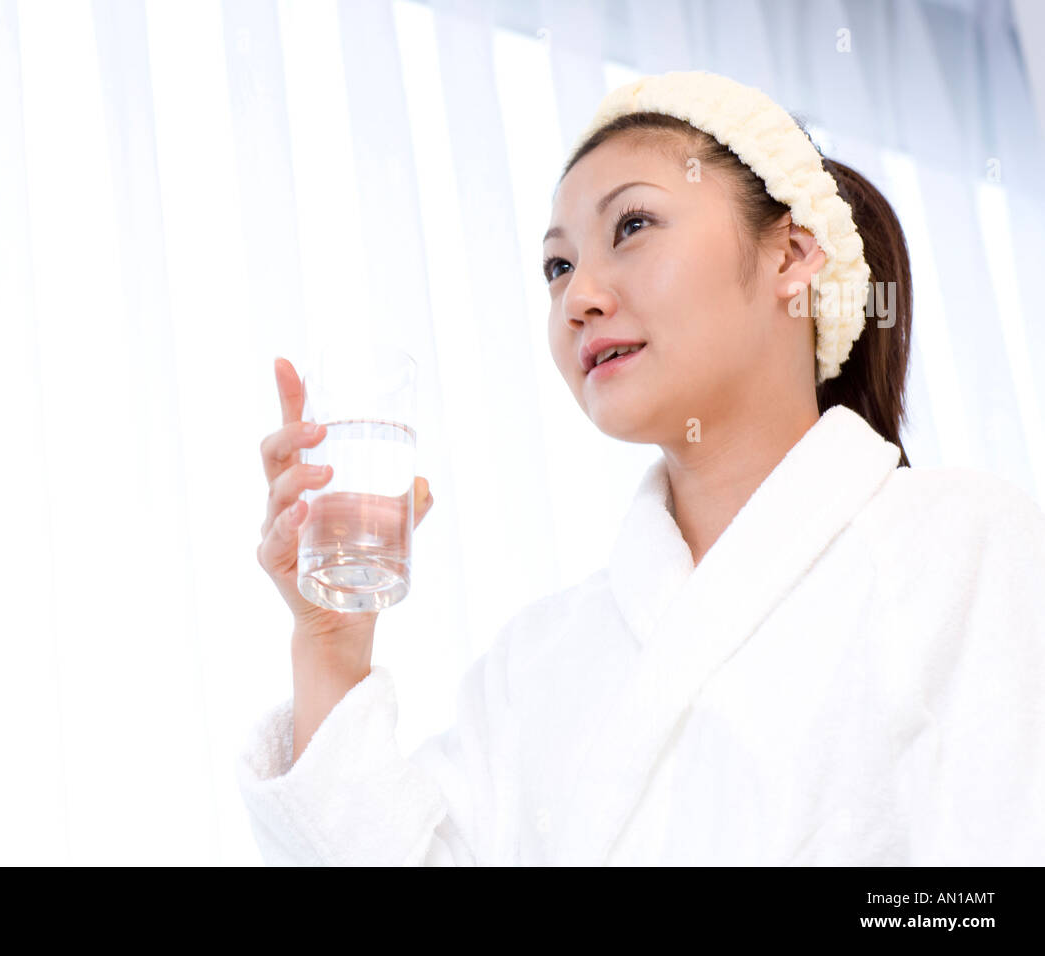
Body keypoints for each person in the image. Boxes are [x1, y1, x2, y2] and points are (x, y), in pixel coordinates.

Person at [238, 70, 1045, 865]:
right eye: (557, 267)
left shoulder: (967, 544)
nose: (579, 295)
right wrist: (330, 647)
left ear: (794, 255)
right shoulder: (536, 659)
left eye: (631, 227)